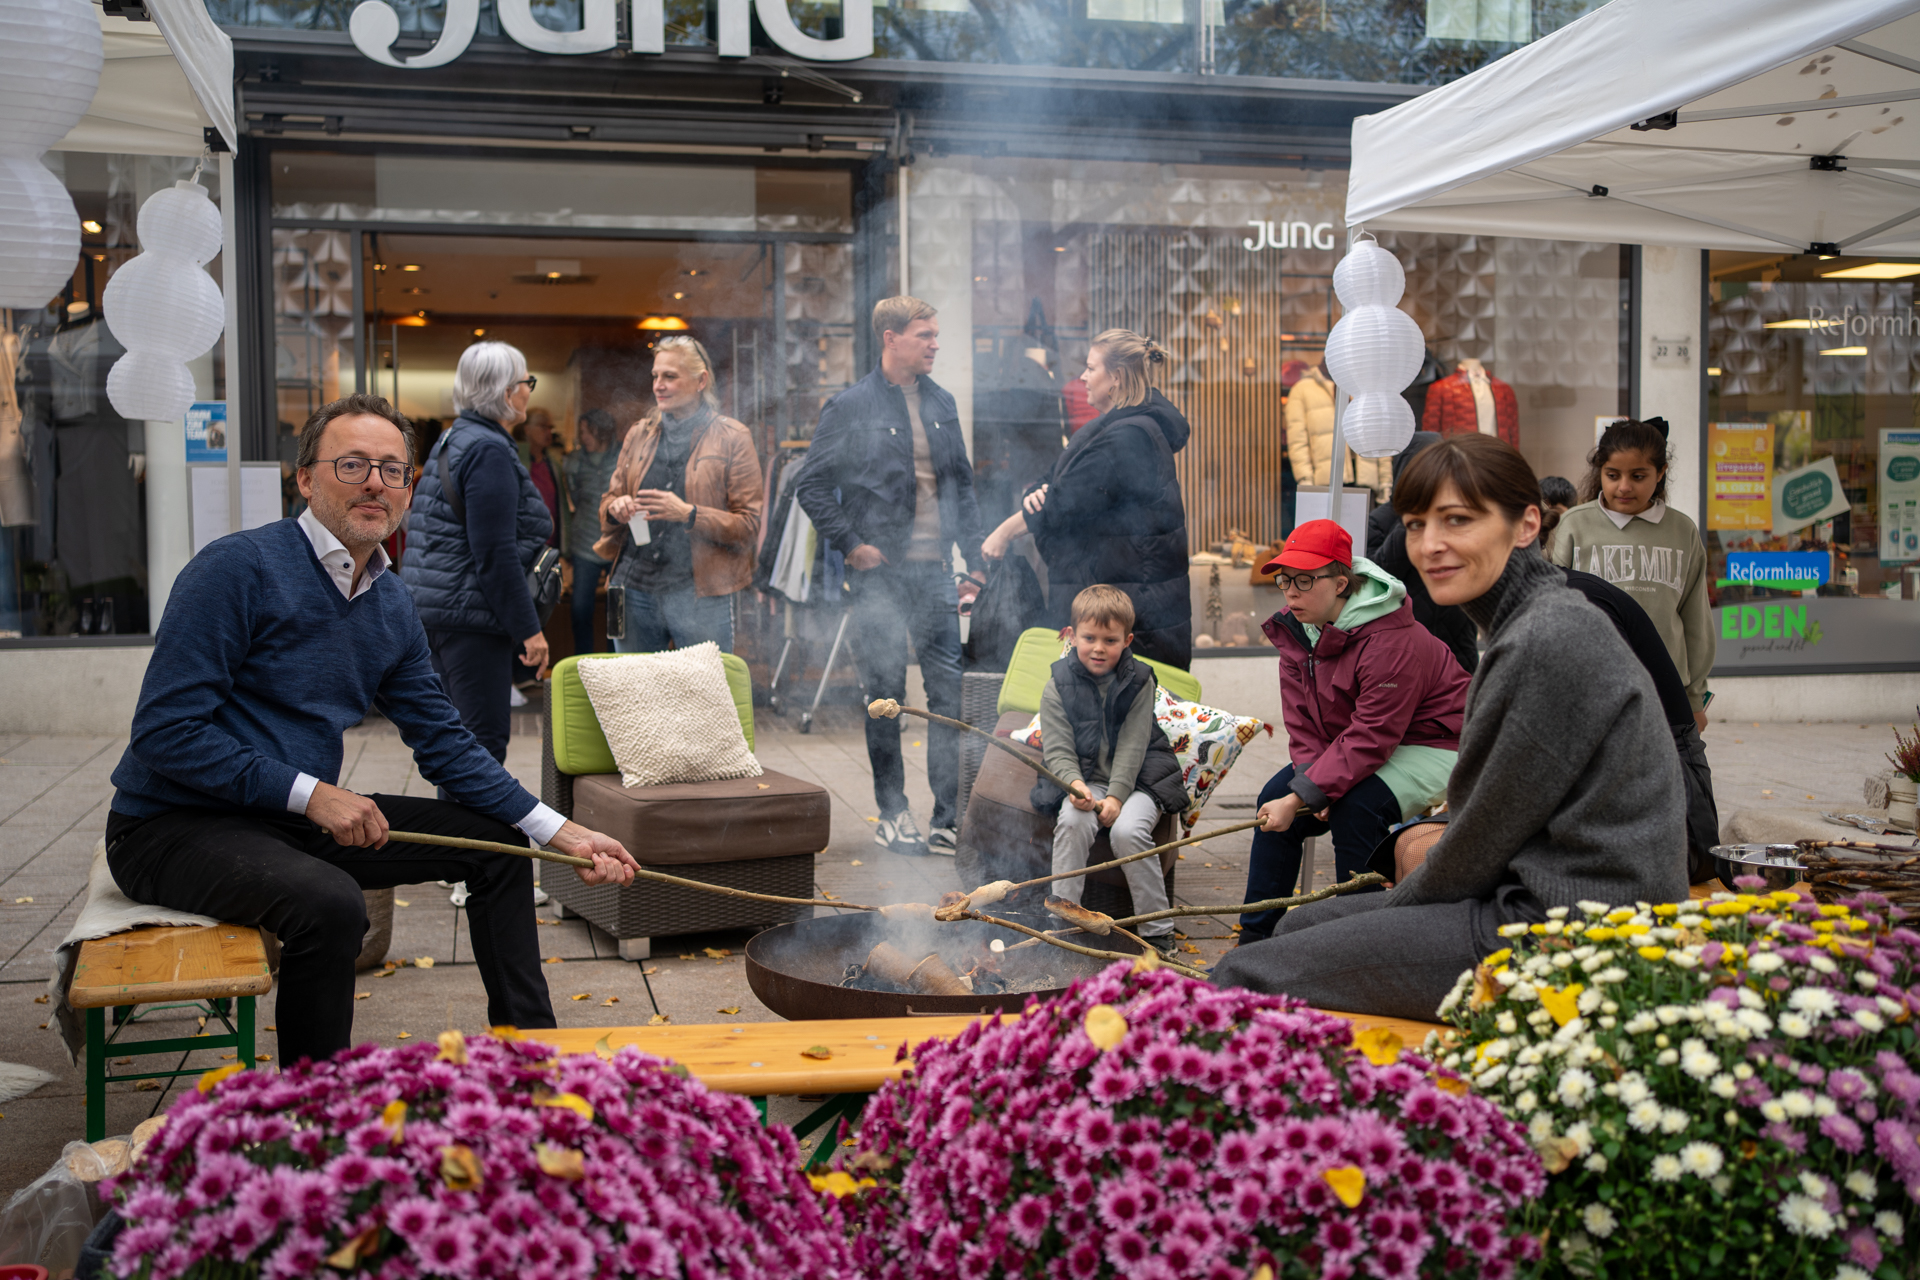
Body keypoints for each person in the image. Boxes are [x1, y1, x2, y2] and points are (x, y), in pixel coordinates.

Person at [104, 394, 639, 1067]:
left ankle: (532, 1061)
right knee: (332, 904)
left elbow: (445, 743)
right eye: (351, 464)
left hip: (289, 819)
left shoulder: (390, 601)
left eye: (391, 470)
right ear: (304, 479)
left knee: (502, 847)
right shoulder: (236, 568)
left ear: (409, 490)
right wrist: (313, 795)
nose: (373, 484)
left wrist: (562, 833)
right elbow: (166, 733)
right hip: (171, 827)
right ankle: (314, 1108)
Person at [1215, 435, 1687, 1020]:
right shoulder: (1523, 623)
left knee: (1248, 970)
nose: (1431, 546)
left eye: (1458, 520)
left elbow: (1476, 843)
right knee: (1297, 925)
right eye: (1415, 525)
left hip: (1568, 930)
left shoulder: (1547, 638)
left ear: (1526, 524)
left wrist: (1396, 904)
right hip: (1528, 891)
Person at [794, 296, 987, 857]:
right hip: (879, 578)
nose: (934, 344)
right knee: (885, 698)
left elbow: (963, 488)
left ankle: (947, 819)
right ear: (890, 337)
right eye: (924, 335)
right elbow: (809, 485)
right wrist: (851, 545)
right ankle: (894, 813)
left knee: (948, 695)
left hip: (934, 575)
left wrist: (974, 560)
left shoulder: (943, 403)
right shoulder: (850, 406)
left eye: (935, 335)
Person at [1237, 518, 1470, 943]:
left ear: (1341, 582)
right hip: (1358, 744)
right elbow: (1303, 724)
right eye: (1285, 579)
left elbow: (1373, 734)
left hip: (1438, 740)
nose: (1290, 591)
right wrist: (1310, 784)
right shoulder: (1297, 630)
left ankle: (1357, 942)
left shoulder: (1390, 639)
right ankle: (1254, 944)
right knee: (1273, 800)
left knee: (1358, 806)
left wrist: (1312, 791)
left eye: (1305, 580)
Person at [980, 329, 1193, 668]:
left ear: (1117, 378)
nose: (1082, 377)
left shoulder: (1126, 437)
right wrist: (1043, 492)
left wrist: (1004, 532)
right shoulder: (1119, 429)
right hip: (1126, 600)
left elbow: (1063, 503)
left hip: (1128, 612)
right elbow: (1056, 483)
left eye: (1091, 368)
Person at [401, 342, 553, 767]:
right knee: (481, 748)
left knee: (458, 748)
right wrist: (529, 630)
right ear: (507, 393)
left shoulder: (454, 438)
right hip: (470, 623)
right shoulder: (488, 450)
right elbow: (494, 553)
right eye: (526, 383)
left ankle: (459, 832)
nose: (528, 391)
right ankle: (484, 835)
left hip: (440, 615)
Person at [1037, 585, 1190, 959]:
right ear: (1072, 637)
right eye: (1089, 638)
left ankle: (1157, 931)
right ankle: (1064, 924)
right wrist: (1074, 786)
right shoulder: (1057, 684)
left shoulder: (1140, 680)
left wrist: (1118, 796)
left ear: (1128, 640)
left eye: (1110, 640)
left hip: (1139, 779)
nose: (1099, 648)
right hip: (1082, 778)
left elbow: (1134, 746)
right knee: (1073, 822)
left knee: (1128, 830)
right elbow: (1057, 748)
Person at [597, 336, 762, 654]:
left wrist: (689, 513)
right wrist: (615, 507)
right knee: (636, 698)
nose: (659, 385)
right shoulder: (638, 434)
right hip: (633, 588)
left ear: (701, 381)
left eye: (670, 376)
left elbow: (748, 527)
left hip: (699, 594)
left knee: (704, 697)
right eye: (655, 376)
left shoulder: (733, 437)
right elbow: (608, 502)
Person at [1549, 418, 1712, 731]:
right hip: (1591, 685)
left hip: (1666, 690)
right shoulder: (1574, 525)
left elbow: (1696, 621)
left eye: (1638, 476)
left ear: (1661, 473)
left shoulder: (1682, 531)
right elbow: (1553, 609)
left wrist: (1695, 698)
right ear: (1600, 472)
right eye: (1613, 475)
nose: (1624, 486)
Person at [1285, 361, 1388, 497]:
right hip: (1324, 484)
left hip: (1365, 484)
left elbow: (1379, 438)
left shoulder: (1366, 388)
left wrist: (1385, 482)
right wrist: (1306, 482)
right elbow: (1298, 442)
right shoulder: (1302, 390)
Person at [563, 409, 620, 654]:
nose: (582, 437)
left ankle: (614, 659)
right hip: (585, 542)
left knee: (617, 609)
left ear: (600, 431)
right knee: (580, 608)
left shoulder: (620, 456)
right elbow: (573, 497)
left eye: (586, 432)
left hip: (616, 542)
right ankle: (582, 659)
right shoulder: (573, 462)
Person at [515, 406, 567, 553]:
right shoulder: (515, 460)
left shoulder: (553, 463)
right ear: (527, 429)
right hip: (523, 542)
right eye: (542, 427)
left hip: (550, 542)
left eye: (550, 428)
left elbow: (560, 506)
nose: (548, 432)